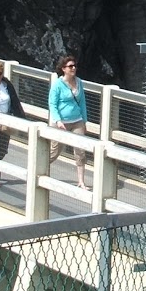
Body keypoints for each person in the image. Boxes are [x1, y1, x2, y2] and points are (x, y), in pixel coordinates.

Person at [46, 53, 90, 189]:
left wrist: (84, 121)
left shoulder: (79, 82)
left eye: (74, 66)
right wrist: (58, 121)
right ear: (63, 69)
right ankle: (40, 169)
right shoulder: (58, 85)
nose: (73, 68)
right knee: (55, 151)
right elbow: (52, 104)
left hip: (77, 120)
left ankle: (81, 181)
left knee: (80, 151)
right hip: (61, 123)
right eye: (70, 66)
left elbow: (82, 102)